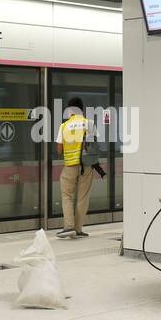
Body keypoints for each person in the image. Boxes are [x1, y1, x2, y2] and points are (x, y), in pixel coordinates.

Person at [55, 97, 95, 238]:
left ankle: (69, 227)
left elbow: (59, 149)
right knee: (83, 197)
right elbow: (94, 146)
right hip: (86, 165)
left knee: (67, 196)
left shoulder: (64, 126)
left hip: (70, 165)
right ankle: (78, 229)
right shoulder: (88, 124)